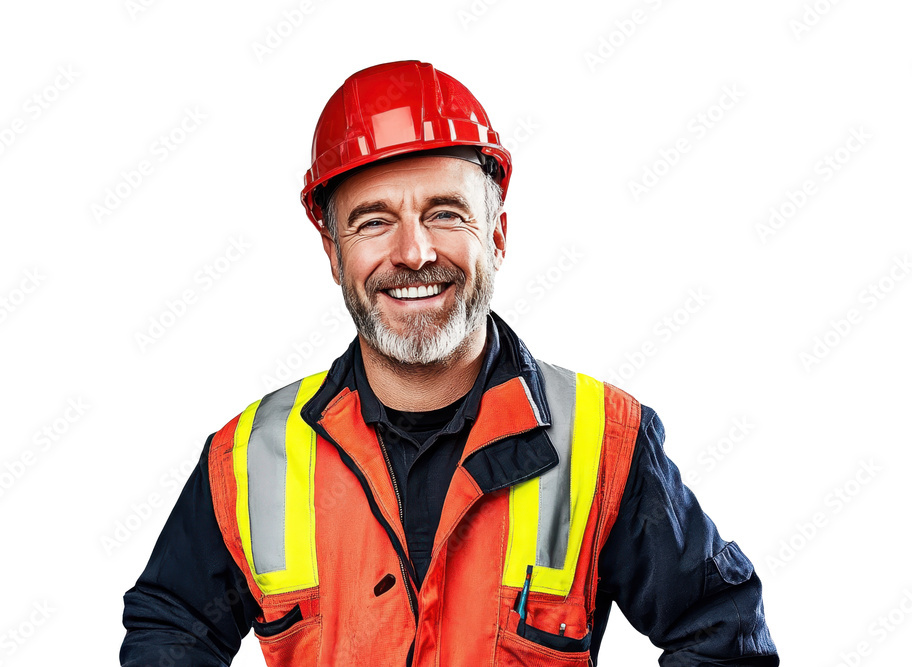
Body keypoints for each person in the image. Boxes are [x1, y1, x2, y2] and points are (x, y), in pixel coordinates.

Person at [120, 60, 779, 666]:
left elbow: (719, 627)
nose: (412, 252)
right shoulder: (251, 457)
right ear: (332, 252)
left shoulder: (603, 442)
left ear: (495, 235)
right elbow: (172, 623)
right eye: (374, 221)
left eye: (445, 212)